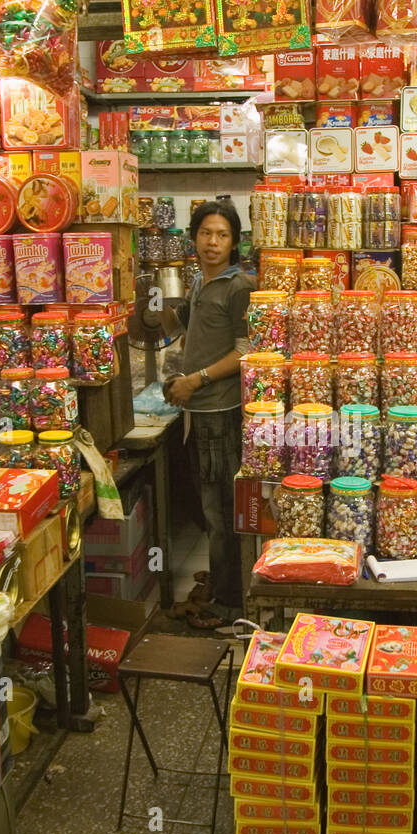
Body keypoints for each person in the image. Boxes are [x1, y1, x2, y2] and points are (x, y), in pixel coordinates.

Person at [163, 201, 254, 628]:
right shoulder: (202, 280)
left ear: (234, 242)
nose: (212, 242)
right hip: (200, 408)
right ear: (194, 237)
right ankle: (221, 582)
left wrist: (196, 380)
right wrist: (180, 376)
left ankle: (230, 603)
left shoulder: (238, 286)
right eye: (205, 233)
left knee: (222, 512)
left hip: (221, 410)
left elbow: (245, 350)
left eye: (221, 235)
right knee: (209, 507)